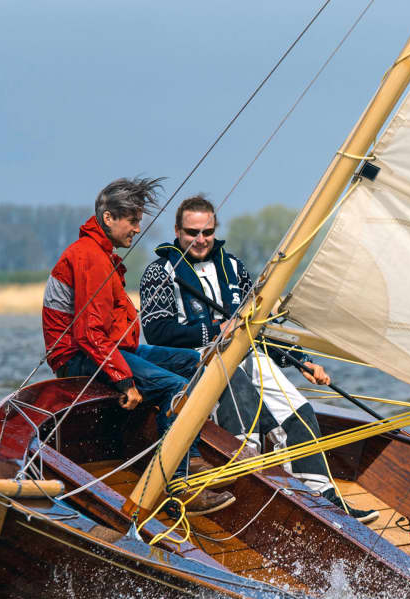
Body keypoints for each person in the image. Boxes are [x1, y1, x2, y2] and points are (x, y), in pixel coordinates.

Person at [139, 195, 378, 523]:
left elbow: (261, 324)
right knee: (246, 406)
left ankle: (324, 499)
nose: (201, 239)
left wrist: (301, 360)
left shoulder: (234, 267)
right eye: (192, 232)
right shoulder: (160, 273)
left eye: (207, 231)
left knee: (300, 411)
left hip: (247, 354)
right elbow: (156, 331)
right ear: (177, 231)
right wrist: (213, 330)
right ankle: (248, 494)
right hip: (197, 361)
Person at [42, 178, 235, 516]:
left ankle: (187, 457)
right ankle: (179, 487)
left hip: (108, 350)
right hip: (79, 358)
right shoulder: (89, 257)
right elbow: (89, 335)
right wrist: (125, 381)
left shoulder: (100, 253)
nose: (137, 228)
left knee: (191, 363)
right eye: (132, 220)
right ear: (108, 219)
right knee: (174, 387)